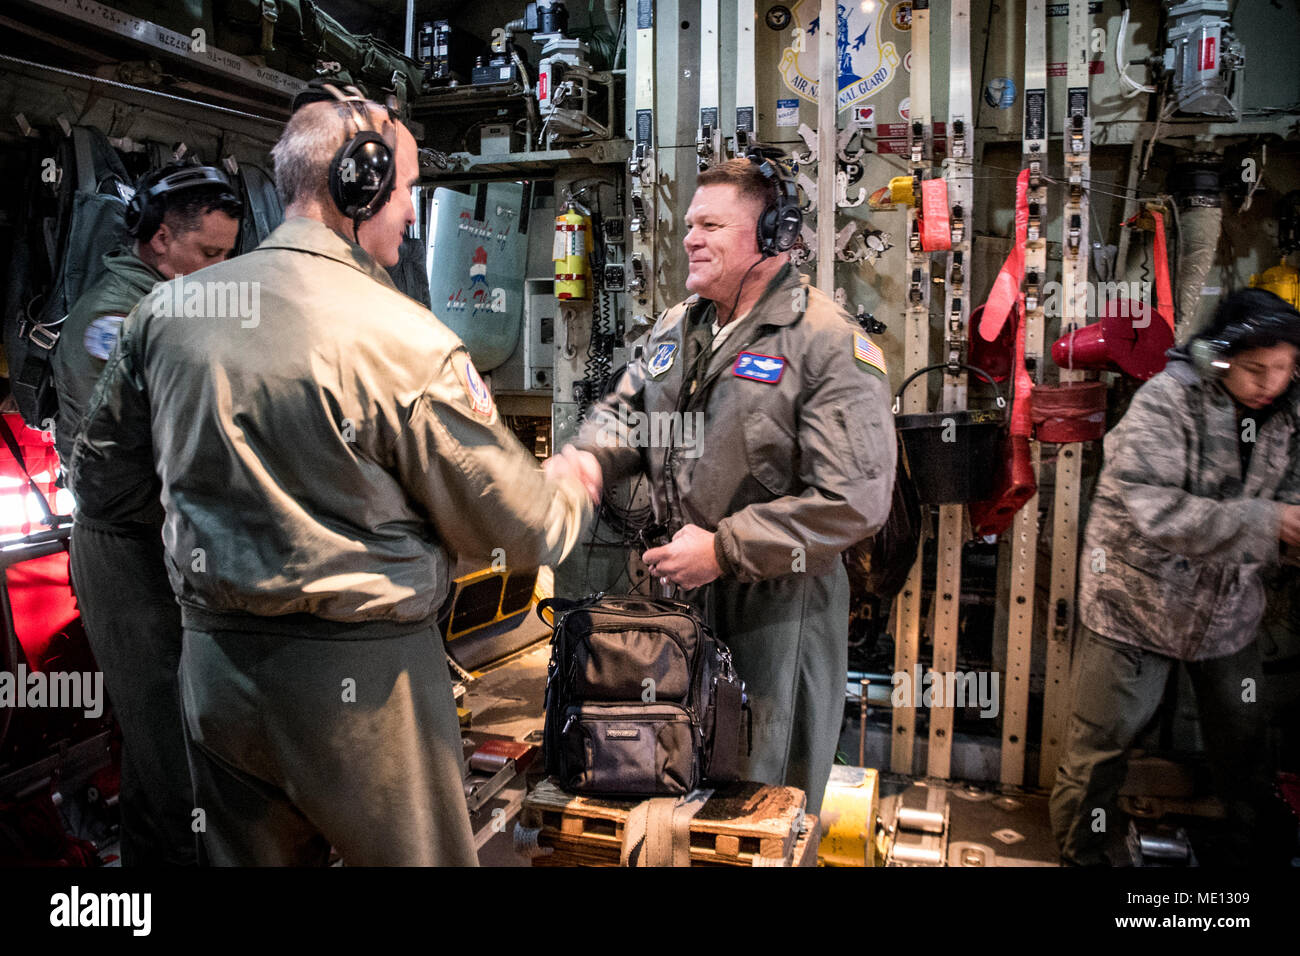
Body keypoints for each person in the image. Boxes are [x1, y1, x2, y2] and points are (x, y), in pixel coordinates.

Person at [68, 88, 593, 865]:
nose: (413, 213)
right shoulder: (405, 340)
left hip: (216, 676)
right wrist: (570, 485)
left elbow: (102, 489)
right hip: (363, 690)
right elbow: (526, 528)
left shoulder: (167, 316)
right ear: (359, 183)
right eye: (407, 189)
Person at [555, 155, 896, 815]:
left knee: (759, 799)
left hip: (777, 612)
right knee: (674, 782)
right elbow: (629, 412)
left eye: (711, 224)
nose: (690, 238)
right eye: (689, 224)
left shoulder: (825, 343)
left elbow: (856, 499)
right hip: (680, 604)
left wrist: (723, 548)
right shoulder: (679, 328)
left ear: (771, 236)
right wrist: (587, 462)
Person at [1051, 288, 1300, 866]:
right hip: (1134, 606)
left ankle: (1256, 857)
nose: (1269, 382)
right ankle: (1083, 855)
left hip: (1228, 615)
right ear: (1219, 358)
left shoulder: (1288, 415)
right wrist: (1273, 523)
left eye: (1283, 369)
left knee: (1245, 739)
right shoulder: (1167, 401)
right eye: (1255, 369)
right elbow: (1156, 510)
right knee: (1100, 752)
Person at [53, 163, 242, 866]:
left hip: (169, 543)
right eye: (208, 255)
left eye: (228, 256)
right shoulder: (114, 319)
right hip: (125, 549)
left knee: (178, 740)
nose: (220, 271)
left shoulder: (176, 303)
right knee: (167, 745)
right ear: (161, 240)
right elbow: (140, 448)